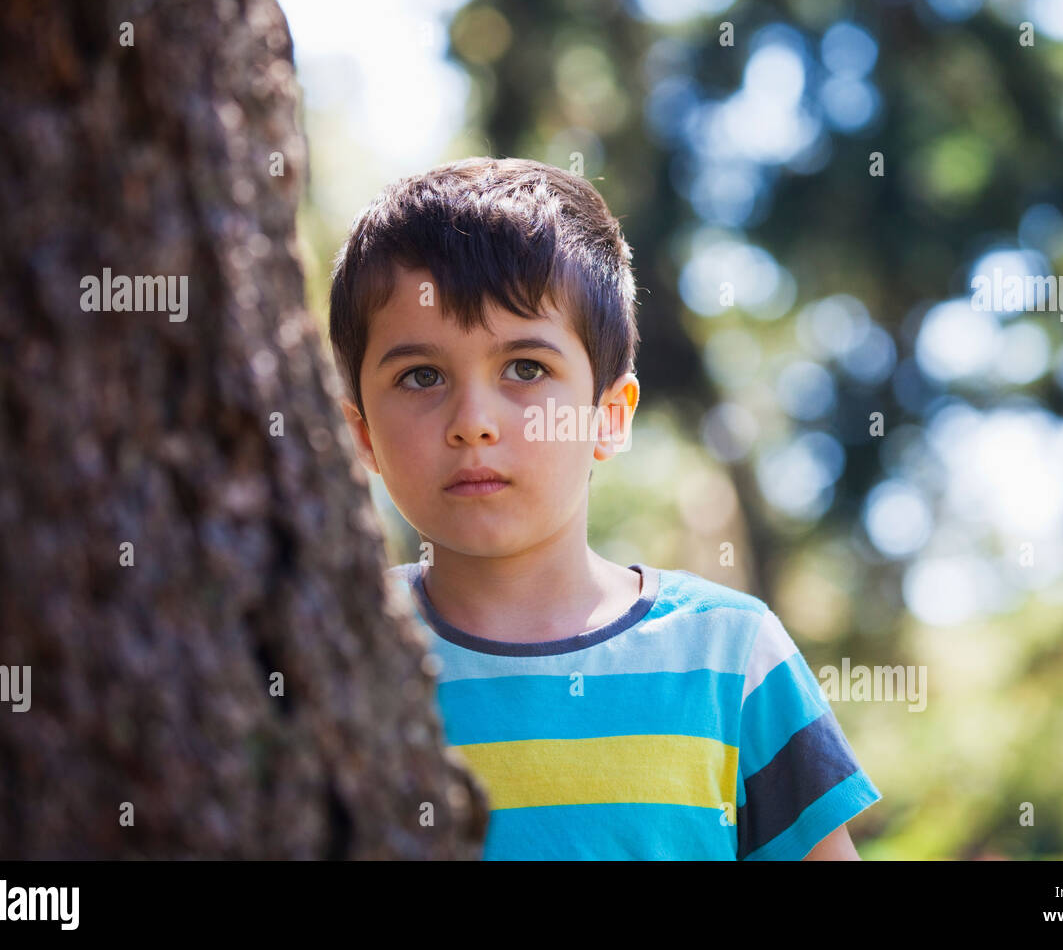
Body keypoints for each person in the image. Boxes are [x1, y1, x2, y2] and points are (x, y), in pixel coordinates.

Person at [328, 156, 881, 859]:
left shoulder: (731, 657)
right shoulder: (332, 655)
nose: (473, 421)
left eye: (526, 369)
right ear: (362, 435)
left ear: (609, 417)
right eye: (421, 376)